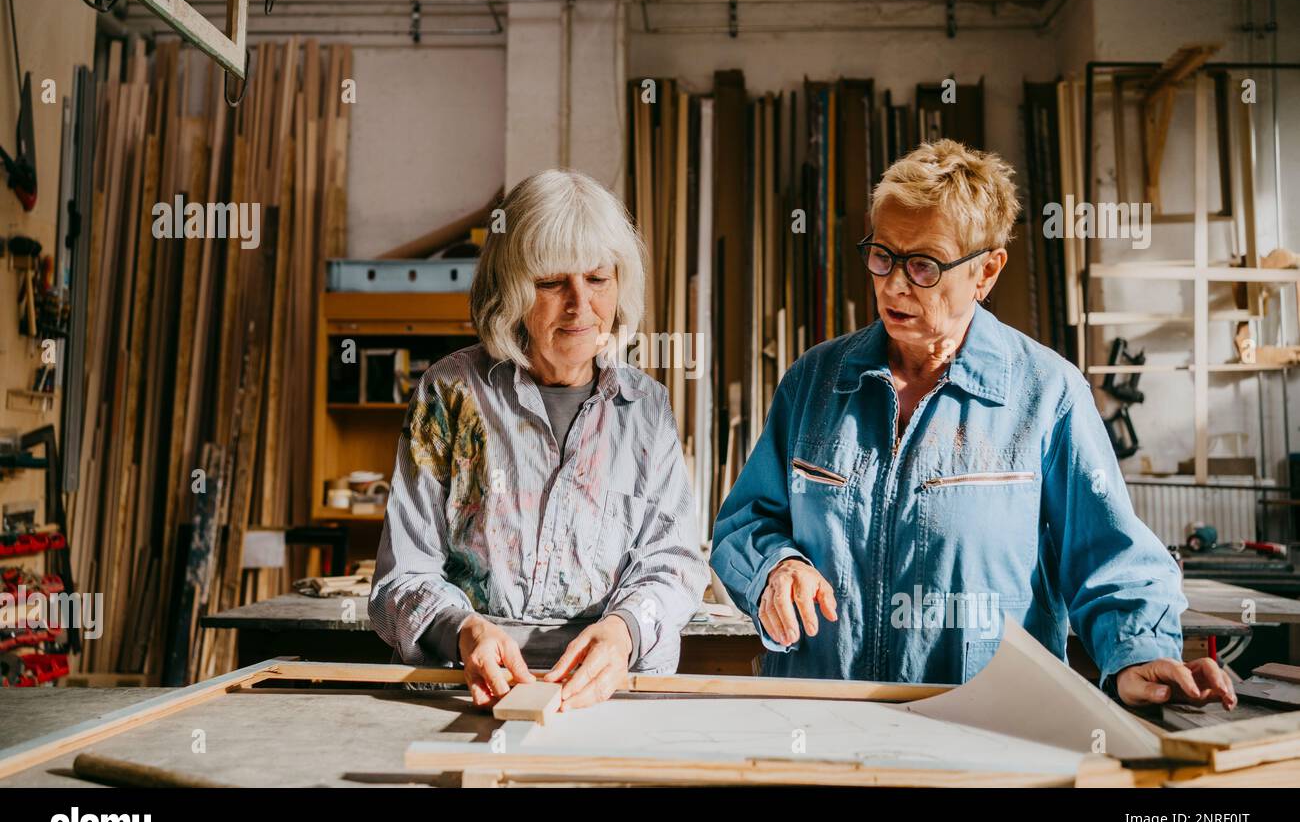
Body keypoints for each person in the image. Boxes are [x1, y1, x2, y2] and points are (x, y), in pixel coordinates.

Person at [710, 139, 1236, 711]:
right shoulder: (816, 382)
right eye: (882, 255)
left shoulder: (1045, 395)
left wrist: (1136, 653)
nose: (893, 284)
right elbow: (745, 521)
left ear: (986, 271)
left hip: (987, 731)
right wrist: (774, 569)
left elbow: (1110, 555)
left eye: (924, 265)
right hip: (823, 725)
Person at [371, 169, 708, 712]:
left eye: (598, 279)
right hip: (465, 689)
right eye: (552, 283)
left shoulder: (646, 407)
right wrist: (463, 631)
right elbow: (400, 578)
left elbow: (674, 562)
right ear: (511, 291)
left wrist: (624, 630)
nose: (580, 305)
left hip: (605, 691)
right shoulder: (449, 394)